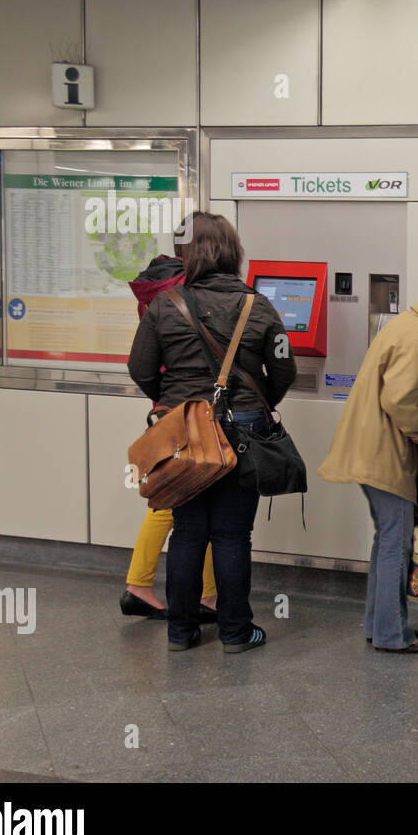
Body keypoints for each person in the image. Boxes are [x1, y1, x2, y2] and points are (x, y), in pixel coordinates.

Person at [128, 212, 296, 653]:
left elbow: (140, 369)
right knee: (232, 534)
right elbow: (283, 371)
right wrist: (256, 406)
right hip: (241, 432)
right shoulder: (257, 306)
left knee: (187, 532)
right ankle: (236, 632)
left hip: (183, 434)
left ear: (188, 254)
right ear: (233, 252)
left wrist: (174, 406)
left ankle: (180, 633)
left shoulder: (167, 304)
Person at [319, 280, 418, 654]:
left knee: (386, 540)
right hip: (383, 455)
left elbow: (409, 390)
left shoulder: (405, 327)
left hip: (369, 451)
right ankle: (392, 634)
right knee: (396, 544)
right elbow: (401, 397)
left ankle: (379, 624)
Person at [120, 240, 218, 622]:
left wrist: (161, 400)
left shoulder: (158, 284)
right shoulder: (185, 287)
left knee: (183, 495)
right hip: (189, 411)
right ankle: (144, 588)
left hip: (168, 406)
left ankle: (150, 587)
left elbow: (144, 362)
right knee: (180, 499)